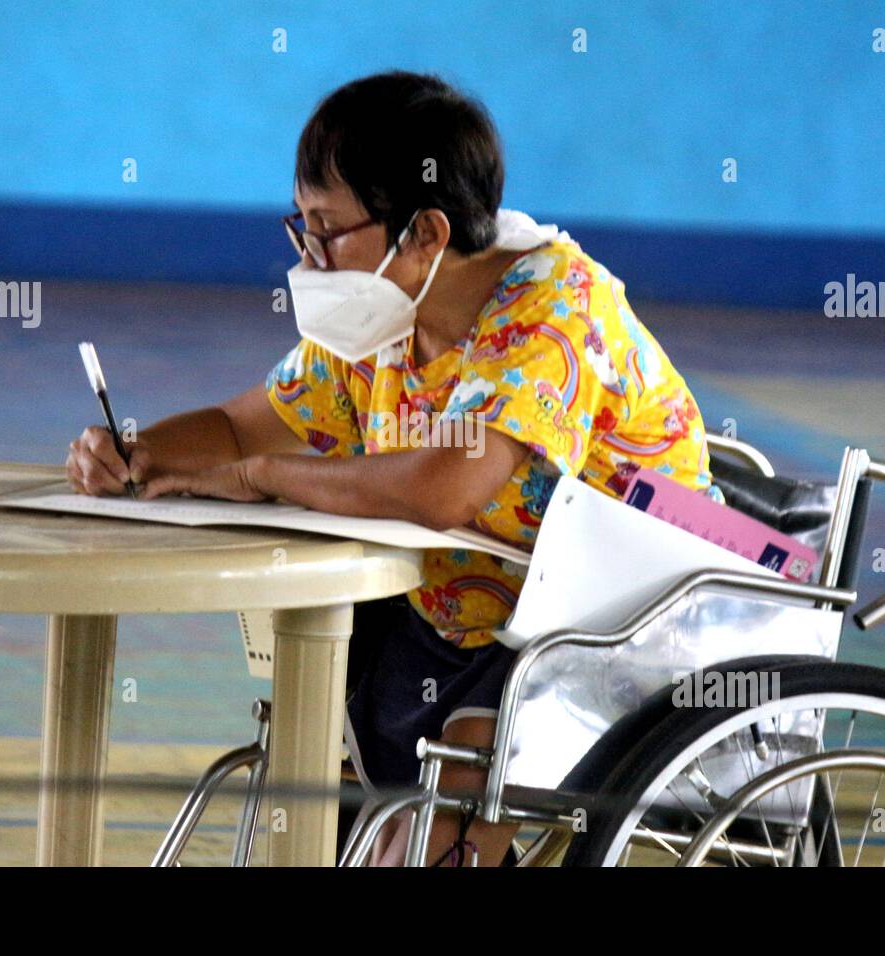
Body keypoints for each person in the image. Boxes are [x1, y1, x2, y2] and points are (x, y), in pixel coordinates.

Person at [66, 70, 719, 866]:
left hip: (612, 630)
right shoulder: (384, 317)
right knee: (317, 757)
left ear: (425, 235)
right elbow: (239, 428)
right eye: (300, 226)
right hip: (463, 621)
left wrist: (268, 477)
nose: (309, 257)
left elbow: (440, 490)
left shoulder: (552, 312)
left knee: (443, 805)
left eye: (328, 231)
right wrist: (137, 454)